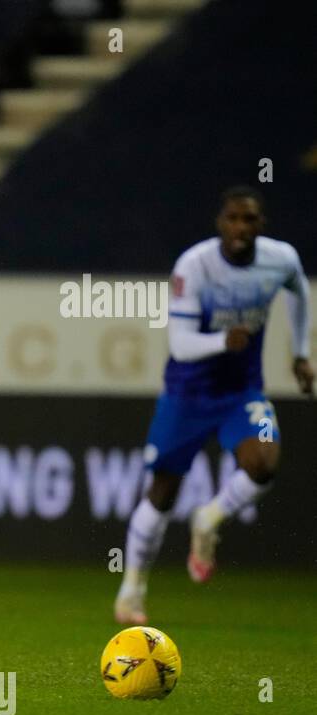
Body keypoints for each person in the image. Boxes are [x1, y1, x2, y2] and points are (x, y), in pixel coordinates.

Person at [115, 186, 311, 625]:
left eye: (250, 220)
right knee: (163, 493)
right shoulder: (195, 266)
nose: (241, 228)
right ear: (220, 223)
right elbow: (180, 345)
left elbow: (300, 292)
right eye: (233, 219)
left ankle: (209, 517)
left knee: (264, 460)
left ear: (261, 225)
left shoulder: (280, 259)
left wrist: (300, 353)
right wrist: (225, 340)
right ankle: (131, 591)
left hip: (243, 392)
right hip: (187, 393)